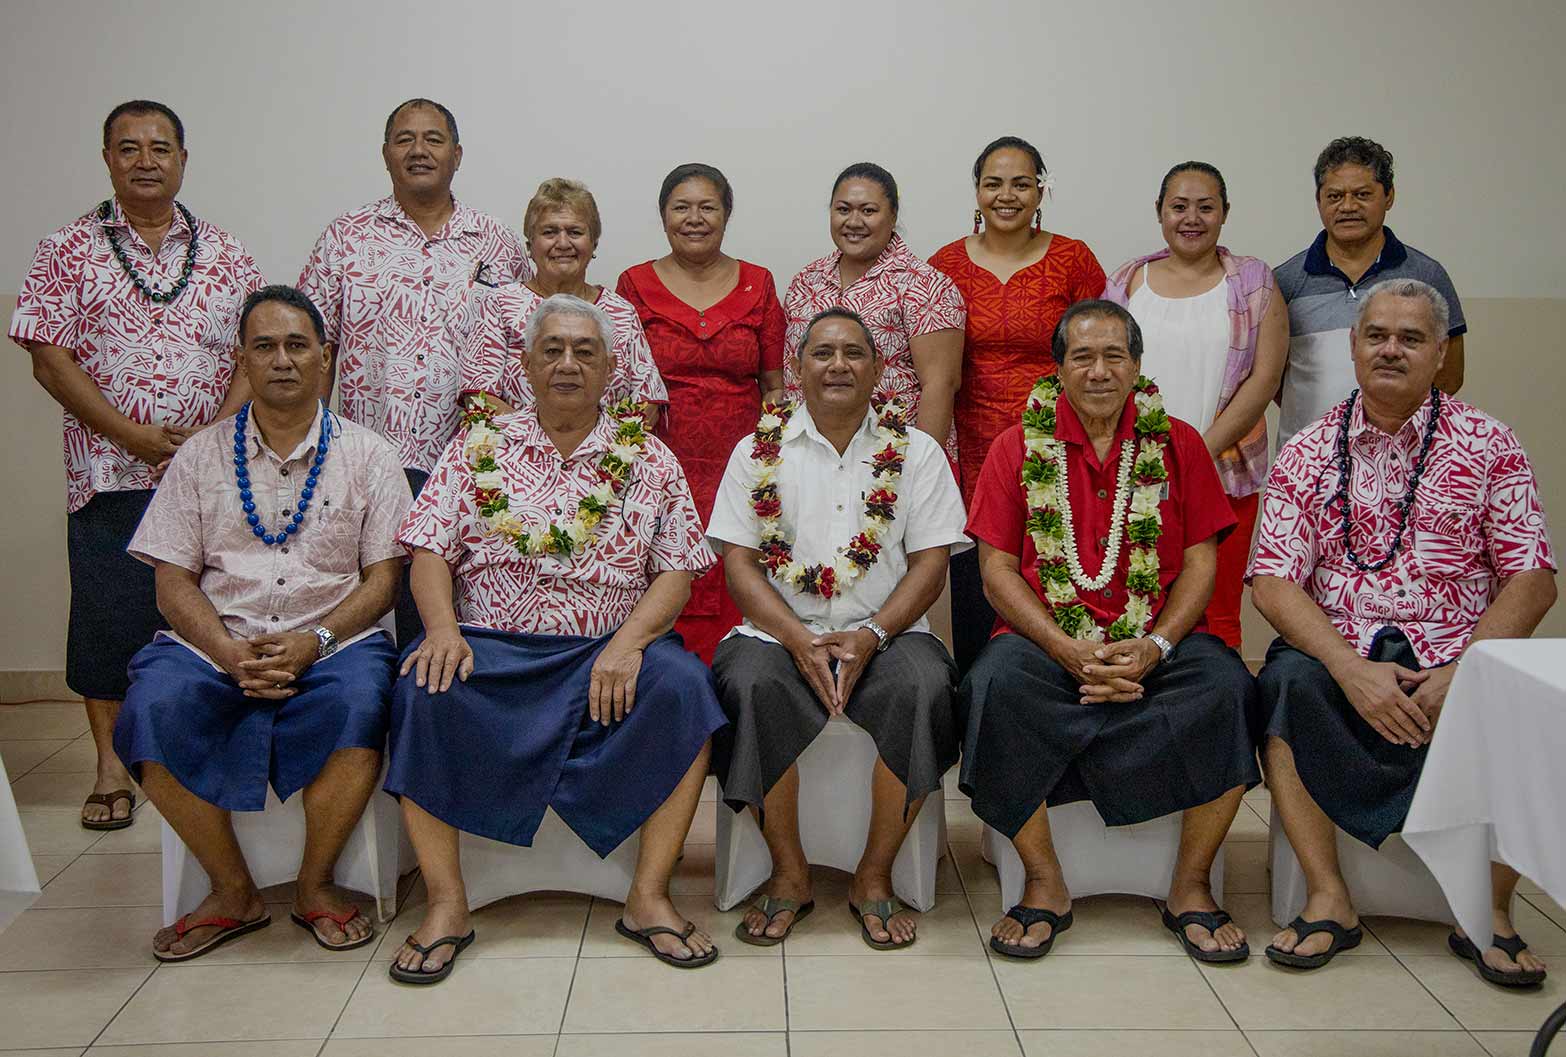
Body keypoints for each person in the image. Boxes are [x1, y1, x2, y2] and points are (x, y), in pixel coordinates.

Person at [385, 294, 726, 982]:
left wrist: (629, 642)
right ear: (525, 364)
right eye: (553, 350)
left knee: (688, 689)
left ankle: (649, 894)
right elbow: (427, 552)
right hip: (494, 650)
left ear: (610, 368)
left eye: (584, 351)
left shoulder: (650, 459)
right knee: (420, 684)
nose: (568, 364)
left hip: (608, 647)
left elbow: (676, 573)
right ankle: (448, 904)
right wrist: (443, 628)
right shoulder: (476, 447)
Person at [1250, 279, 1556, 982]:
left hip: (1459, 650)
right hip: (1343, 652)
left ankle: (1490, 910)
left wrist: (1468, 670)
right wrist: (1351, 670)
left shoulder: (1489, 442)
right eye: (1377, 335)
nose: (1391, 348)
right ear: (1354, 348)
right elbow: (1272, 580)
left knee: (1516, 692)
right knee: (1283, 683)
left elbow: (1533, 576)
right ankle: (1330, 897)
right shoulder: (1308, 450)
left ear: (1440, 352)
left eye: (1411, 338)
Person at [112, 285, 411, 961]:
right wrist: (225, 651)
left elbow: (384, 579)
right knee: (149, 706)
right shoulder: (198, 457)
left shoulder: (370, 455)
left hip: (333, 640)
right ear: (241, 360)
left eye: (297, 345)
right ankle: (231, 891)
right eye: (265, 346)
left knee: (366, 700)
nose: (282, 360)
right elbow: (171, 579)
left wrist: (317, 641)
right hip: (215, 642)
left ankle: (315, 884)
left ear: (326, 358)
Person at [961, 300, 1259, 962]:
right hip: (1044, 643)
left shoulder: (1178, 442)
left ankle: (1191, 886)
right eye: (1083, 357)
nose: (1099, 371)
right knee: (991, 688)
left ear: (1137, 366)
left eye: (1114, 356)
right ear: (1059, 367)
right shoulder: (1018, 445)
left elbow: (1202, 560)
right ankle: (1044, 883)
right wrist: (1063, 646)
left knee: (1229, 688)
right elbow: (997, 571)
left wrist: (1155, 646)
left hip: (1156, 640)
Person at [9, 99, 265, 831]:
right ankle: (109, 768)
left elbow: (252, 352)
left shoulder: (227, 252)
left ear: (184, 158)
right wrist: (130, 434)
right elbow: (47, 358)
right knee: (109, 619)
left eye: (161, 147)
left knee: (214, 612)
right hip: (107, 473)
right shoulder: (66, 249)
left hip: (211, 474)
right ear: (107, 159)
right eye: (130, 148)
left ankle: (198, 751)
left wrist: (214, 436)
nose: (146, 160)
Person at [708, 308, 969, 950]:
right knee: (747, 687)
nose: (838, 366)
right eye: (822, 353)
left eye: (854, 353)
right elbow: (737, 562)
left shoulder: (917, 452)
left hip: (888, 633)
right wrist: (797, 640)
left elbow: (932, 562)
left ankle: (873, 876)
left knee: (926, 689)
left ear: (879, 370)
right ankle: (789, 874)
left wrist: (874, 634)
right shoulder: (756, 451)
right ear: (797, 370)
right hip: (777, 632)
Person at [296, 97, 531, 646]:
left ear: (457, 154)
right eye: (404, 139)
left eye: (432, 139)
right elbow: (312, 352)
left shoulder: (496, 243)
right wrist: (312, 450)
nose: (418, 150)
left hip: (471, 462)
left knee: (460, 614)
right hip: (369, 460)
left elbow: (524, 349)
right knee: (375, 611)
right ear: (385, 155)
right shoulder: (344, 238)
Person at [929, 136, 1105, 672]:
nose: (1007, 195)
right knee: (978, 582)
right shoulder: (947, 263)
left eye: (1021, 183)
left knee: (1063, 568)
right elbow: (930, 367)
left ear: (1040, 191)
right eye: (994, 183)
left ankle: (1068, 684)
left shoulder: (1073, 259)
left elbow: (1103, 353)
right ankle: (985, 708)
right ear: (977, 192)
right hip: (973, 452)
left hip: (1056, 444)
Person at [1104, 162, 1287, 651]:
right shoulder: (1126, 281)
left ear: (1225, 213)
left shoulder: (1253, 282)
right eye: (1179, 206)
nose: (1192, 218)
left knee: (1218, 612)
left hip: (1223, 471)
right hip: (1136, 474)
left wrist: (1195, 454)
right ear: (1159, 213)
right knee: (1134, 605)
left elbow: (1264, 378)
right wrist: (1157, 460)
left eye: (1206, 207)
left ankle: (1220, 717)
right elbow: (1101, 376)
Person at [616, 164, 786, 662]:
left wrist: (771, 458)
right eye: (681, 207)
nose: (694, 218)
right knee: (666, 569)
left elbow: (774, 385)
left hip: (742, 463)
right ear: (663, 215)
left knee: (741, 570)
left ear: (727, 214)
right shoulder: (635, 283)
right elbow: (622, 383)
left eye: (707, 207)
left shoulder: (758, 283)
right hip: (661, 460)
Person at [1276, 136, 1466, 451]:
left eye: (1362, 194)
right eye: (1334, 196)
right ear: (1319, 200)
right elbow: (1272, 380)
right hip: (1309, 460)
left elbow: (1450, 376)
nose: (1348, 206)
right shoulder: (1285, 281)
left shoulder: (1427, 275)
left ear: (1389, 196)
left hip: (1404, 458)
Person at [783, 163, 964, 463]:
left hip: (892, 461)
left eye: (868, 211)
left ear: (892, 216)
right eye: (843, 210)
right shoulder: (806, 281)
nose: (854, 221)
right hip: (809, 456)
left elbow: (940, 386)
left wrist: (919, 468)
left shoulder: (927, 285)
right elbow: (794, 377)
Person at [459, 178, 666, 425]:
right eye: (549, 232)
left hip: (603, 458)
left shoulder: (620, 312)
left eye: (575, 232)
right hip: (514, 456)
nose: (563, 243)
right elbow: (479, 397)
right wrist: (542, 445)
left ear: (594, 243)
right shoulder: (499, 305)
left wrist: (607, 446)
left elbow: (648, 398)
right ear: (529, 245)